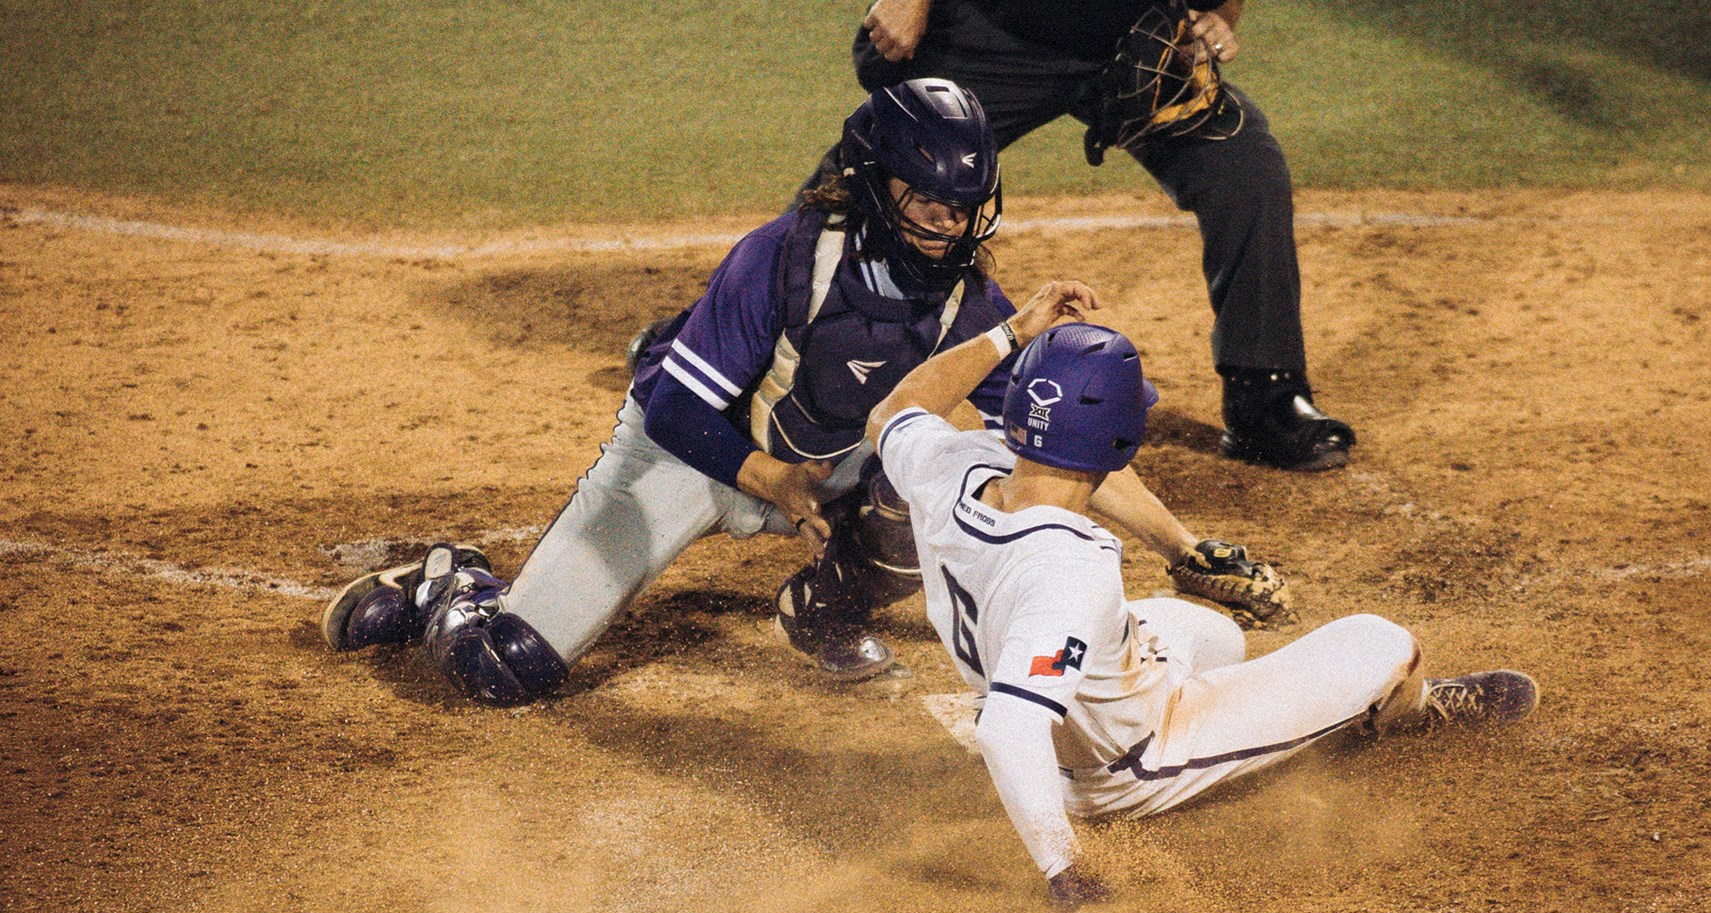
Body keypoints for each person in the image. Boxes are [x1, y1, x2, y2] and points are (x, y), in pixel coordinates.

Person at [318, 79, 1284, 702]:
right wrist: (771, 481)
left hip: (824, 465)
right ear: (875, 186)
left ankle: (827, 606)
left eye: (965, 203)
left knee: (956, 471)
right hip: (692, 455)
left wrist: (1186, 545)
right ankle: (451, 581)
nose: (951, 222)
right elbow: (674, 408)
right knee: (507, 672)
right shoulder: (782, 261)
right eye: (928, 201)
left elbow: (1055, 445)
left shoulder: (969, 304)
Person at [865, 313, 1537, 908]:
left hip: (1055, 668)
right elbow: (1009, 729)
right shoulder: (1066, 572)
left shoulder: (952, 463)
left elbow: (895, 408)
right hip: (1124, 765)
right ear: (1121, 442)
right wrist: (1064, 869)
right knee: (1385, 644)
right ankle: (1411, 710)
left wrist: (1013, 330)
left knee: (1220, 637)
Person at [825, 0, 1356, 472]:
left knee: (1244, 169)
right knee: (862, 182)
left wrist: (1216, 15)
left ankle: (1262, 396)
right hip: (995, 32)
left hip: (1134, 42)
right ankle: (803, 358)